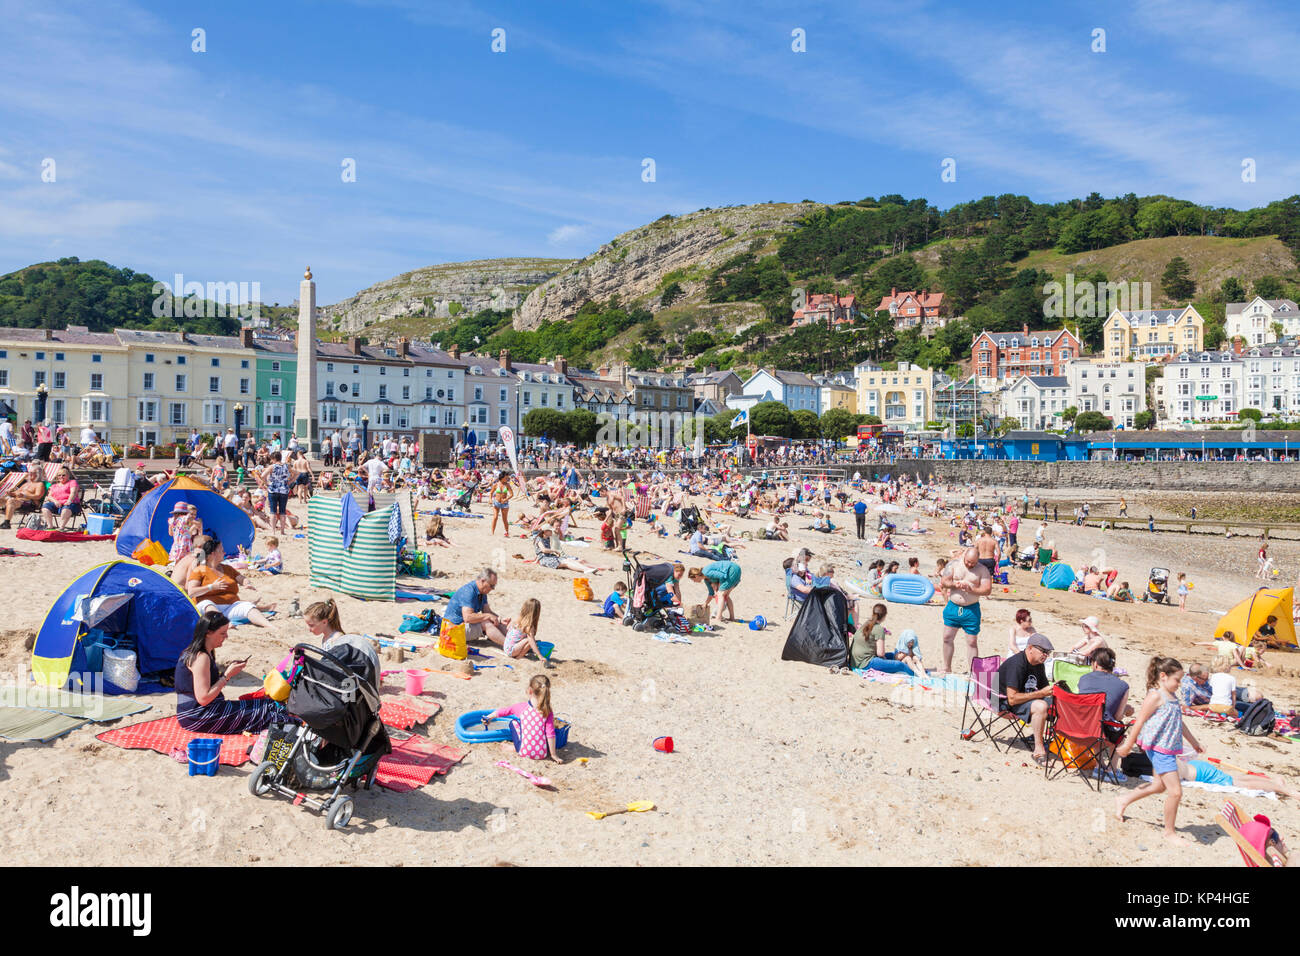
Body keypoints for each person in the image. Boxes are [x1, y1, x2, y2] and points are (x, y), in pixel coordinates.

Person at [1116, 657, 1204, 845]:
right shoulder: (1155, 696)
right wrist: (1127, 745)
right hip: (1159, 750)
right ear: (1163, 676)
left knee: (1158, 786)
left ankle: (1124, 800)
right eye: (1177, 680)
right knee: (1176, 792)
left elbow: (1180, 723)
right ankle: (1169, 832)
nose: (1179, 684)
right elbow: (1139, 721)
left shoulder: (1173, 697)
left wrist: (1194, 742)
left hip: (1168, 748)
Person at [175, 610, 292, 733]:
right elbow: (203, 698)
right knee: (269, 716)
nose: (226, 637)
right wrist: (227, 675)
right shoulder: (200, 657)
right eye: (222, 633)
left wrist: (227, 672)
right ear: (208, 633)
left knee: (269, 704)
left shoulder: (202, 652)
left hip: (204, 709)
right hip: (197, 715)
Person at [186, 538, 275, 627]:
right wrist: (211, 587)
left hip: (230, 606)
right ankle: (224, 623)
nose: (224, 553)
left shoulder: (227, 568)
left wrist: (246, 583)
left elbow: (241, 578)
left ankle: (270, 626)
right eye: (221, 551)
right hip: (207, 608)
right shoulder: (199, 570)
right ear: (212, 554)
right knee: (207, 604)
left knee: (247, 606)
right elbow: (191, 592)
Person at [997, 634, 1055, 766]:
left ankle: (1059, 743)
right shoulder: (1017, 664)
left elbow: (1044, 688)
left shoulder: (1038, 664)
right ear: (1030, 648)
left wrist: (1055, 690)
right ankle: (1038, 751)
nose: (1046, 655)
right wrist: (1041, 693)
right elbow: (1012, 699)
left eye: (1048, 652)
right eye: (1043, 651)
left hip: (1023, 699)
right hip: (1003, 703)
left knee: (1060, 703)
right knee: (1040, 706)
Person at [1077, 647, 1133, 781]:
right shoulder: (1122, 685)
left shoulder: (1083, 679)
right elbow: (1118, 717)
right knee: (1117, 730)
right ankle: (1111, 770)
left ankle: (1099, 766)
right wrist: (1126, 709)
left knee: (1098, 720)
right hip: (1099, 730)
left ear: (1095, 664)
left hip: (1077, 727)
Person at [483, 674, 561, 763]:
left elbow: (504, 711)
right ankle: (529, 747)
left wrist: (489, 717)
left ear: (530, 691)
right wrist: (554, 755)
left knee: (514, 722)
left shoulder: (521, 707)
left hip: (523, 751)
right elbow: (550, 734)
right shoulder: (547, 711)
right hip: (542, 753)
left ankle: (514, 748)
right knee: (543, 730)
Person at [938, 548, 992, 673]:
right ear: (964, 556)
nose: (969, 564)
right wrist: (954, 585)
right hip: (953, 606)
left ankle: (974, 672)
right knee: (947, 637)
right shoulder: (954, 564)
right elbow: (944, 581)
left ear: (978, 560)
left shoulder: (982, 570)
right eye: (968, 561)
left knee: (972, 642)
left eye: (973, 563)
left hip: (971, 609)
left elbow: (987, 589)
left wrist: (971, 589)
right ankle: (947, 668)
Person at [1176, 756, 1300, 800]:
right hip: (1196, 766)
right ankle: (1273, 782)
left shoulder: (1158, 761)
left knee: (1244, 785)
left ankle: (1287, 791)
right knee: (1234, 779)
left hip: (1199, 773)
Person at [444, 567, 510, 647]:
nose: (493, 589)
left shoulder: (482, 592)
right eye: (491, 586)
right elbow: (468, 617)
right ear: (482, 581)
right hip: (452, 630)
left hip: (462, 626)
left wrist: (499, 619)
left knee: (495, 621)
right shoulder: (469, 592)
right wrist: (488, 616)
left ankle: (515, 642)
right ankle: (509, 646)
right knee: (486, 623)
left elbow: (487, 612)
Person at [690, 559, 742, 626]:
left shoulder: (706, 572)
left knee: (721, 594)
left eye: (693, 580)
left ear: (696, 576)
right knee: (725, 595)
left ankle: (718, 617)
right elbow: (711, 594)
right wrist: (705, 603)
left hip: (732, 569)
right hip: (732, 571)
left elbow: (721, 576)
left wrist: (719, 587)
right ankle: (732, 618)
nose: (694, 582)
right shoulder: (706, 580)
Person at [0, 463, 47, 528]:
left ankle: (7, 522)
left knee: (11, 501)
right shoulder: (26, 484)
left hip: (30, 504)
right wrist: (10, 493)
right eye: (29, 472)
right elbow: (16, 493)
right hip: (18, 500)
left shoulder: (39, 484)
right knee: (1, 500)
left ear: (38, 474)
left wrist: (25, 495)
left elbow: (38, 496)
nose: (29, 474)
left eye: (31, 473)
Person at [41, 466, 81, 531]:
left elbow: (73, 493)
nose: (61, 477)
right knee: (45, 507)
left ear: (68, 476)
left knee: (66, 509)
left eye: (63, 475)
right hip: (57, 504)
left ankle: (61, 527)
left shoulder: (72, 482)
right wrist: (55, 501)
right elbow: (49, 496)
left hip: (71, 503)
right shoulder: (54, 486)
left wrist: (69, 501)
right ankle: (50, 526)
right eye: (59, 475)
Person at [850, 603, 888, 670]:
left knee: (892, 655)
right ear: (884, 616)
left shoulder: (866, 623)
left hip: (854, 661)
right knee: (900, 665)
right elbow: (881, 653)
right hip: (865, 663)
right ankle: (912, 671)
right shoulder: (879, 629)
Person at [261, 452, 291, 535]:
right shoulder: (287, 466)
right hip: (284, 489)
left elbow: (262, 476)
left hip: (273, 489)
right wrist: (289, 482)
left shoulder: (272, 467)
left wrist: (266, 483)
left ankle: (273, 531)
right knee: (282, 511)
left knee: (273, 511)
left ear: (274, 459)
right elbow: (296, 473)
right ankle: (282, 531)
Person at [167, 502, 199, 566]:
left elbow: (170, 534)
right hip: (185, 543)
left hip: (176, 544)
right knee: (185, 562)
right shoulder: (184, 518)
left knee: (178, 562)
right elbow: (196, 524)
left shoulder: (172, 521)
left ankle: (175, 573)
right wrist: (197, 523)